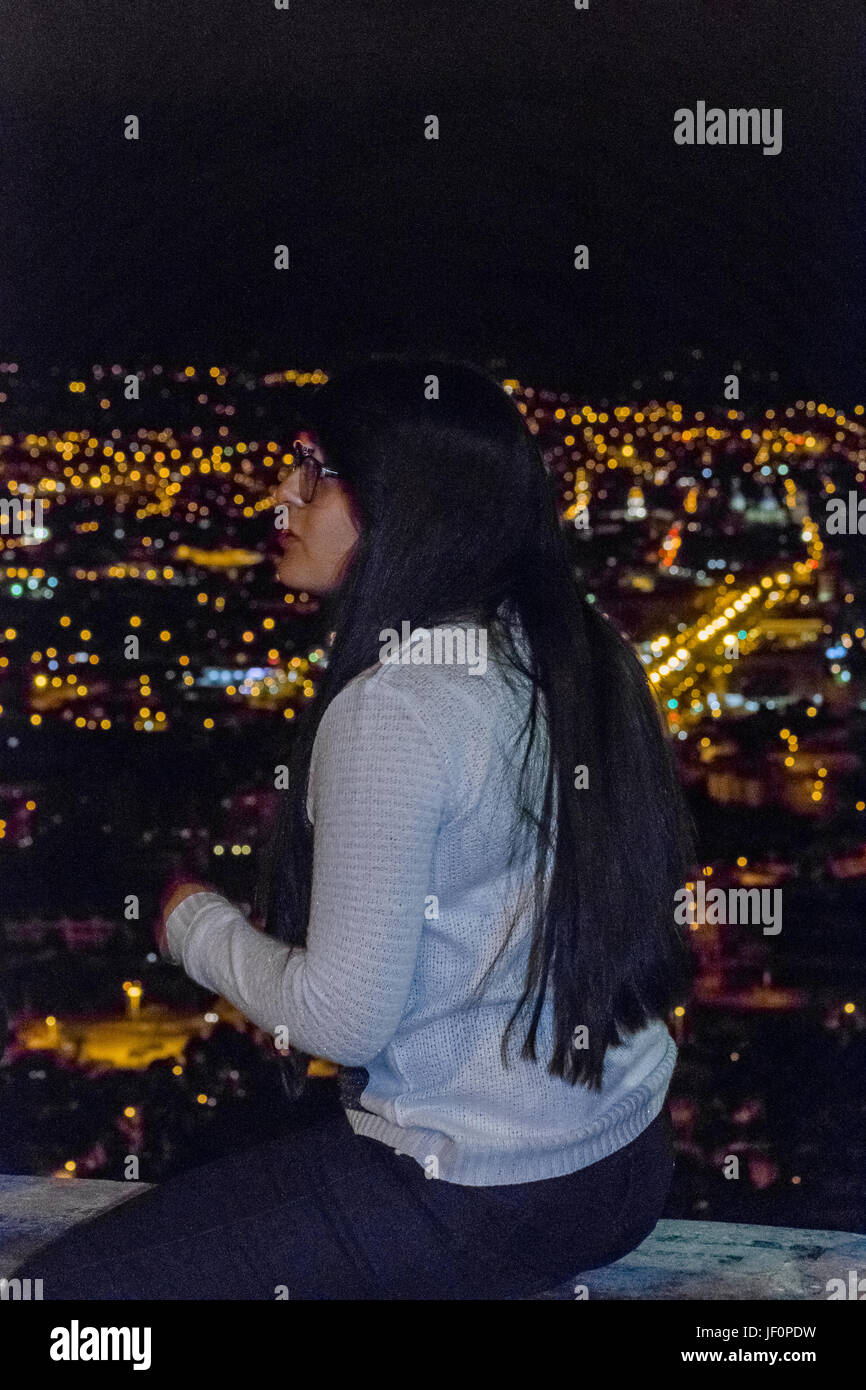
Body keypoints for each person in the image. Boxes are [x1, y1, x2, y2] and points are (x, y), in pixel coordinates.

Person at [18, 354, 693, 1300]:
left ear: (406, 503)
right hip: (625, 1163)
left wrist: (190, 922)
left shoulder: (397, 707)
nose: (278, 496)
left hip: (476, 1191)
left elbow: (339, 1017)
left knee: (59, 1297)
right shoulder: (572, 648)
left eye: (314, 469)